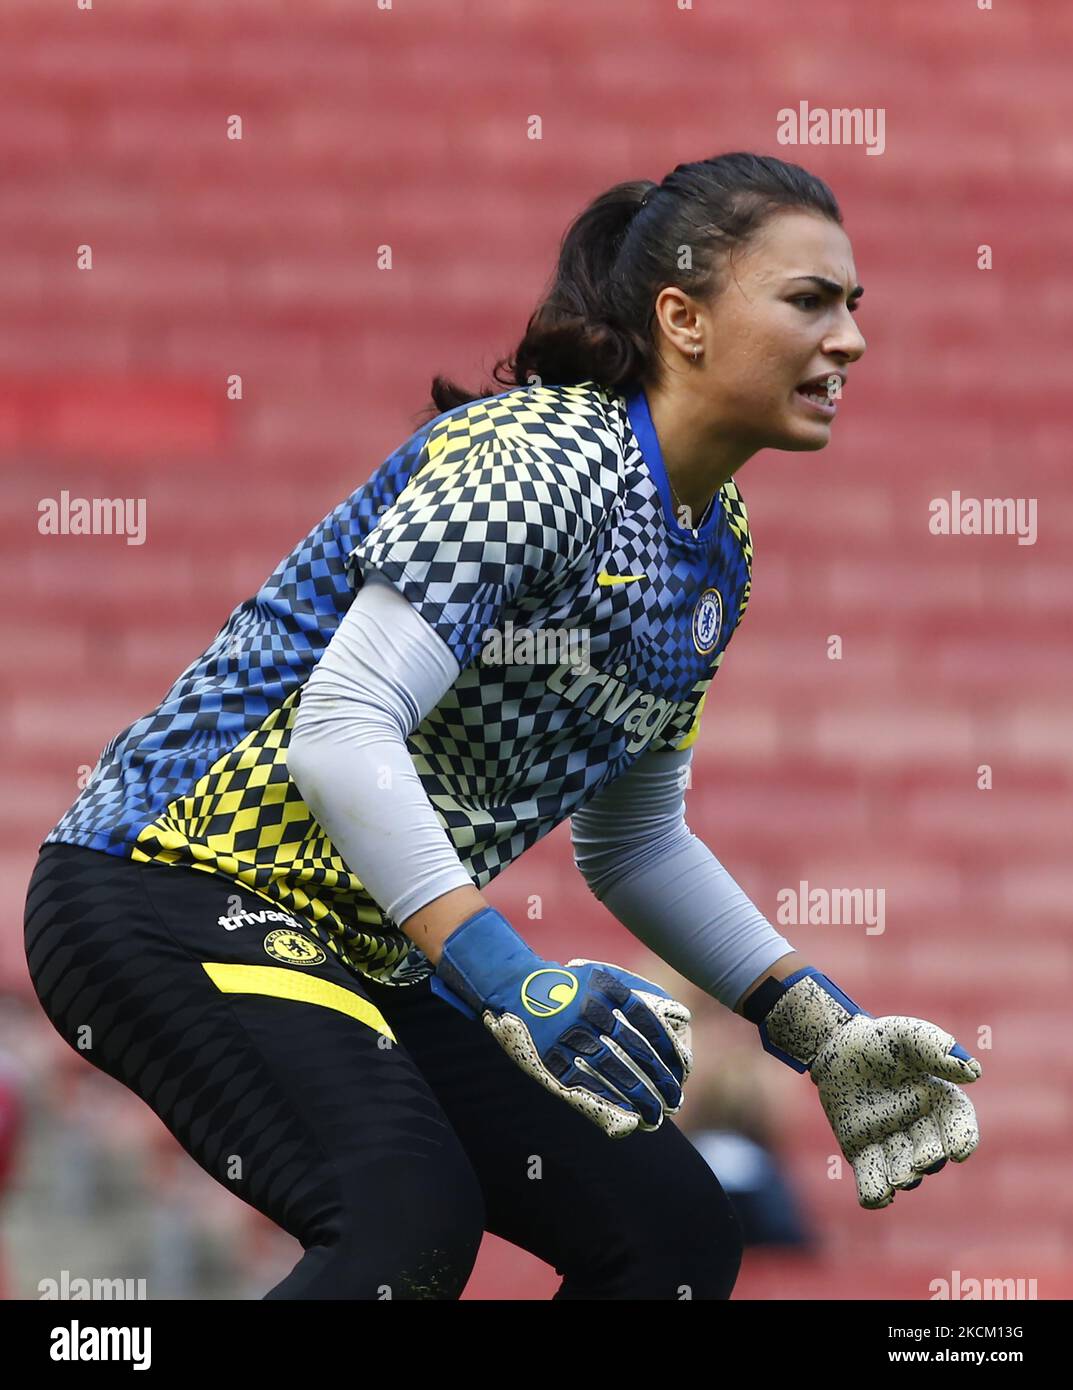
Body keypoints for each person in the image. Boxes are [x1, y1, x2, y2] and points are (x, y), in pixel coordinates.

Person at [23, 151, 980, 1301]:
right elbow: (340, 727)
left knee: (669, 1231)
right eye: (808, 301)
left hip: (365, 939)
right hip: (161, 881)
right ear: (682, 318)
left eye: (852, 307)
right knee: (405, 1214)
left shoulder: (714, 545)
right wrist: (509, 976)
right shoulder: (532, 458)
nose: (848, 342)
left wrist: (813, 1026)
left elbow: (634, 843)